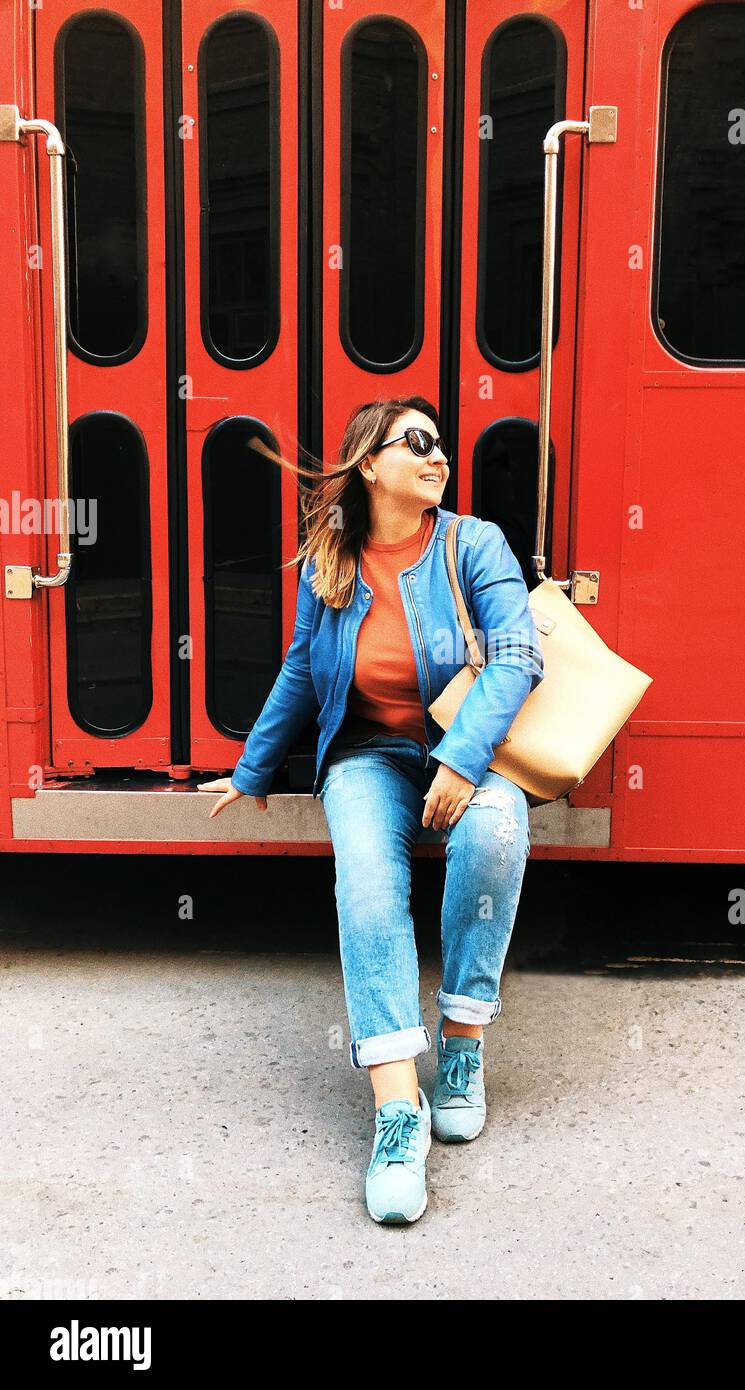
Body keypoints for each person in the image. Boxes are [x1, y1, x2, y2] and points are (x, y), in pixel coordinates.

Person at [204, 396, 543, 1224]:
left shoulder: (475, 544)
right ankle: (399, 1111)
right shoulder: (333, 557)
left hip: (464, 748)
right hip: (366, 756)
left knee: (498, 831)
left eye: (442, 445)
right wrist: (250, 770)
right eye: (417, 443)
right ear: (369, 465)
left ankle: (462, 1043)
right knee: (366, 882)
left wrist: (462, 760)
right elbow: (297, 670)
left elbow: (518, 657)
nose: (439, 456)